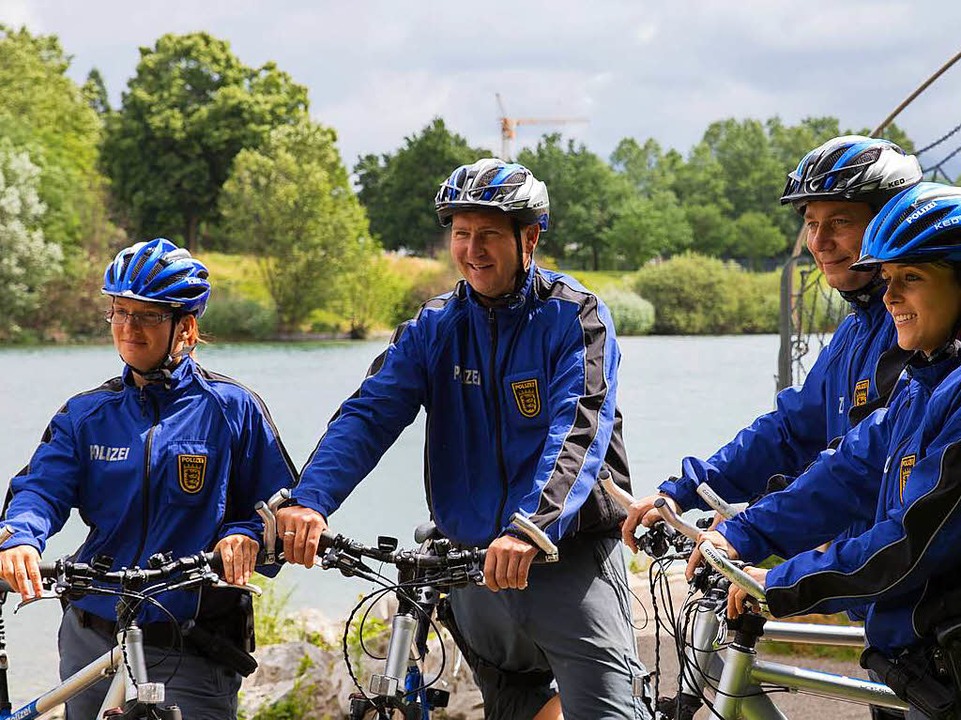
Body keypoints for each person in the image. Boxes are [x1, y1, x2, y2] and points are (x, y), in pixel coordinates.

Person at [278, 158, 650, 719]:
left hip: (563, 557)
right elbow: (369, 415)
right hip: (474, 567)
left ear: (529, 238)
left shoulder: (574, 318)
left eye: (489, 235)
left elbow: (576, 429)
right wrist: (311, 501)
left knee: (610, 714)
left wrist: (531, 528)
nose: (473, 249)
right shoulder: (435, 326)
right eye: (461, 234)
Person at [0, 238, 297, 719]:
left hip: (193, 643)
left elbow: (280, 510)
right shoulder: (86, 414)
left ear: (187, 327)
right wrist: (20, 539)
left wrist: (243, 534)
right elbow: (40, 489)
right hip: (92, 634)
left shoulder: (232, 410)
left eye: (148, 316)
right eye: (119, 312)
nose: (128, 328)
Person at [701, 182, 961, 719]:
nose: (890, 297)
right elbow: (846, 473)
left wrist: (784, 584)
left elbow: (912, 540)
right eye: (888, 278)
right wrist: (741, 534)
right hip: (914, 666)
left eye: (911, 278)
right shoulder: (923, 382)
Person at [621, 136, 922, 543]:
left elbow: (861, 468)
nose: (817, 242)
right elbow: (791, 430)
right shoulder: (857, 330)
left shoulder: (919, 333)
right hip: (871, 587)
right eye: (811, 223)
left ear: (892, 221)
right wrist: (680, 492)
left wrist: (752, 530)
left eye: (840, 222)